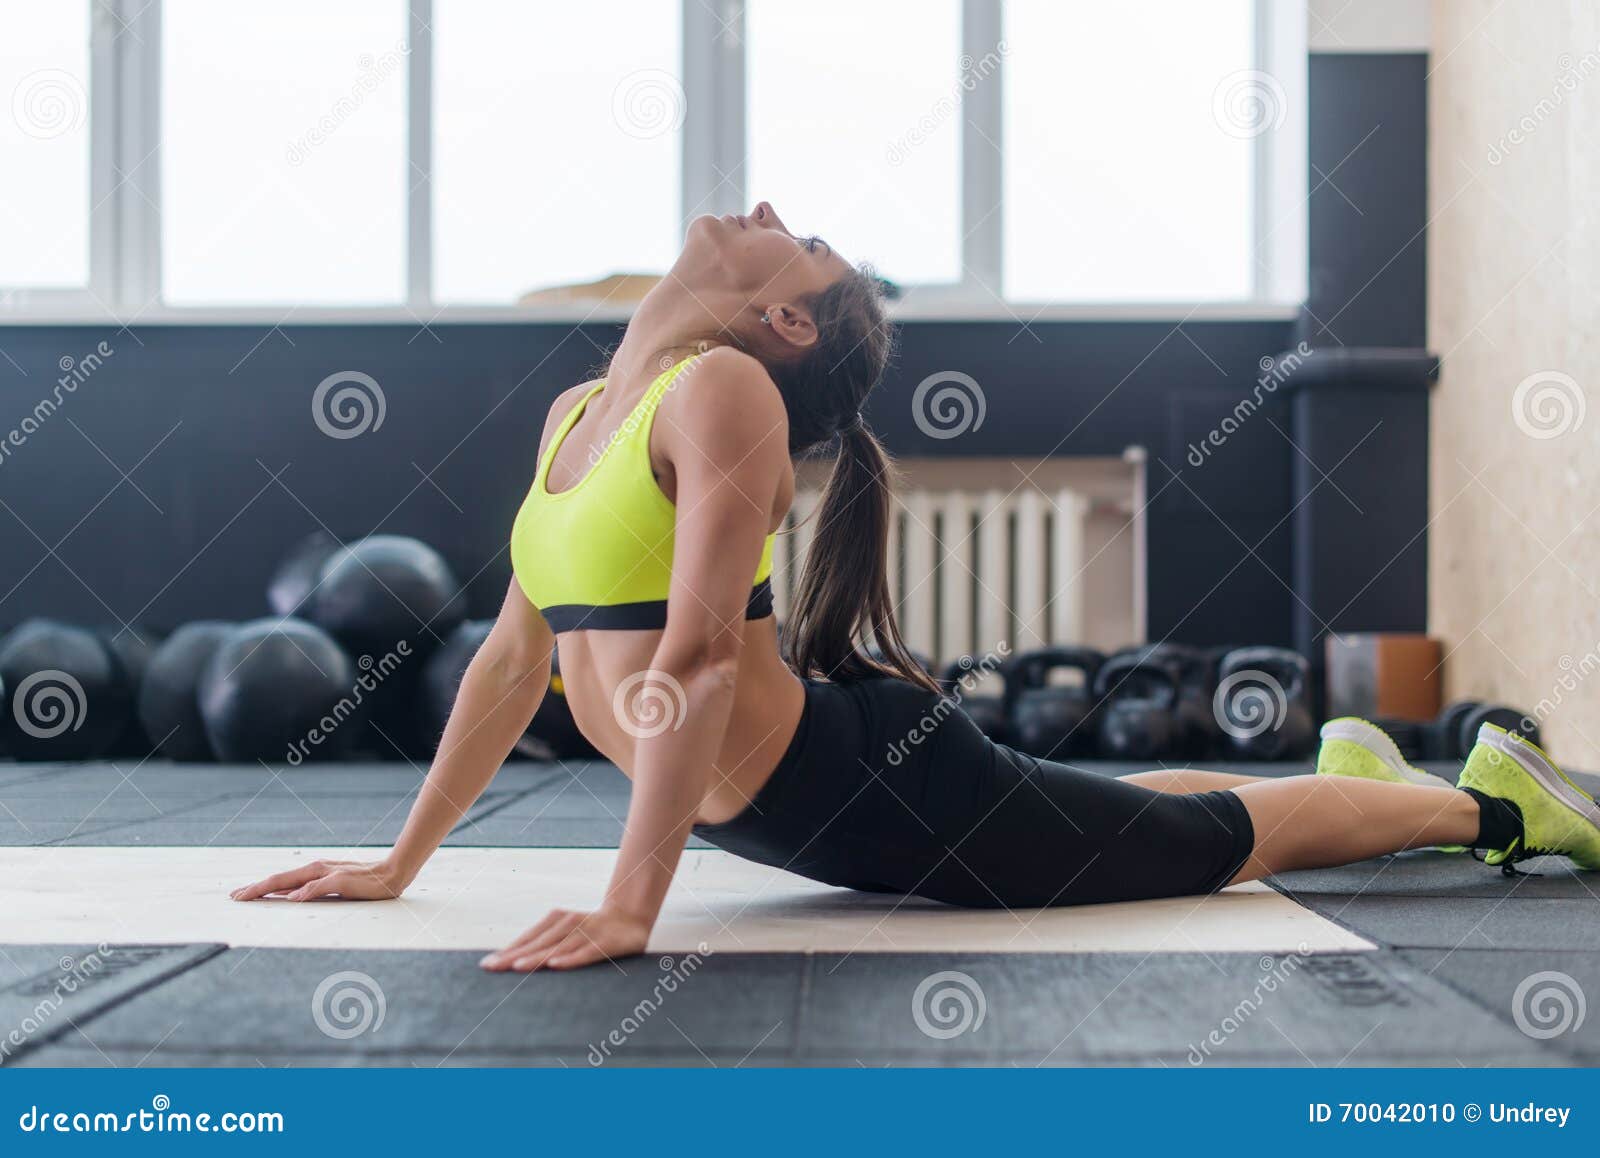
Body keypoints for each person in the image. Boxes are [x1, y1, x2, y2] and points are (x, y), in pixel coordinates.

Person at [232, 203, 1600, 971]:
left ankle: (1488, 801)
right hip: (817, 797)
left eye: (803, 239)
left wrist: (630, 907)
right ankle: (1352, 761)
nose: (767, 213)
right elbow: (509, 662)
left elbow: (699, 660)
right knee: (1125, 814)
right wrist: (399, 861)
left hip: (879, 792)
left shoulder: (722, 396)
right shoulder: (581, 409)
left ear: (786, 323)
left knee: (1221, 843)